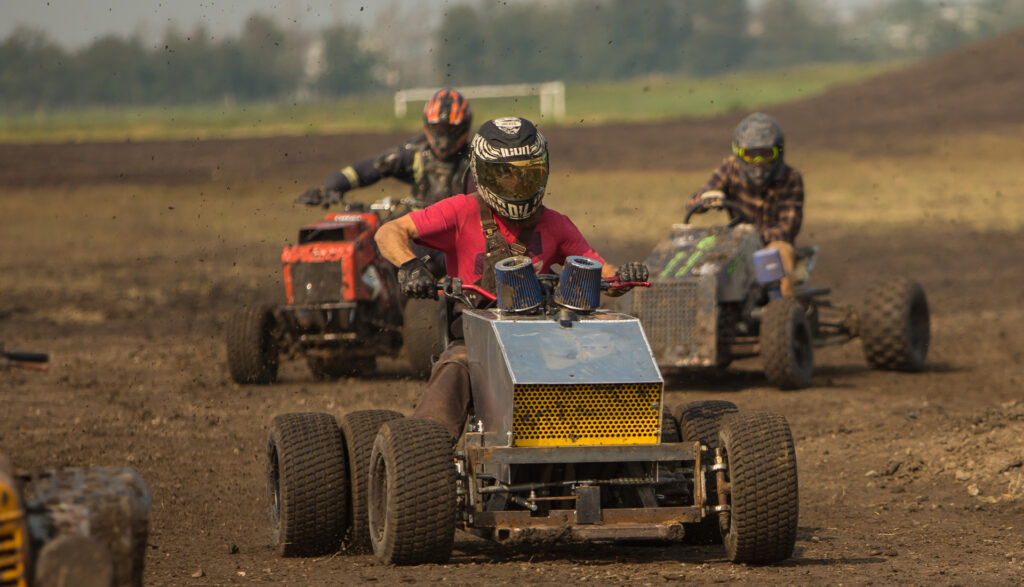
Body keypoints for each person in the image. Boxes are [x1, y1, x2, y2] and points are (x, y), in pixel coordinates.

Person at [374, 116, 649, 439]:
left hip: (543, 341)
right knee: (456, 367)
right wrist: (409, 266)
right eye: (505, 176)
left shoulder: (555, 224)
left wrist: (623, 277)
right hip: (476, 344)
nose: (516, 186)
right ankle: (423, 449)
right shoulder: (460, 212)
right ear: (483, 175)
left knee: (600, 359)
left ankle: (617, 446)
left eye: (527, 176)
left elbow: (599, 270)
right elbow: (390, 231)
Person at [687, 112, 804, 297]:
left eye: (765, 154)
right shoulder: (730, 168)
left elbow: (788, 229)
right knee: (702, 253)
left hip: (769, 246)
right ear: (739, 154)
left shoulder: (791, 178)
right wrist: (706, 198)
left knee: (779, 252)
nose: (758, 162)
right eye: (750, 155)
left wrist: (752, 237)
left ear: (778, 153)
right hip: (736, 244)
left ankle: (781, 309)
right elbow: (696, 200)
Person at [296, 88, 475, 208]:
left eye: (451, 130)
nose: (444, 140)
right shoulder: (414, 153)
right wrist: (330, 188)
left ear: (464, 127)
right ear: (428, 127)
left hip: (464, 231)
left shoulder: (476, 159)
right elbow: (368, 169)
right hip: (420, 229)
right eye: (439, 130)